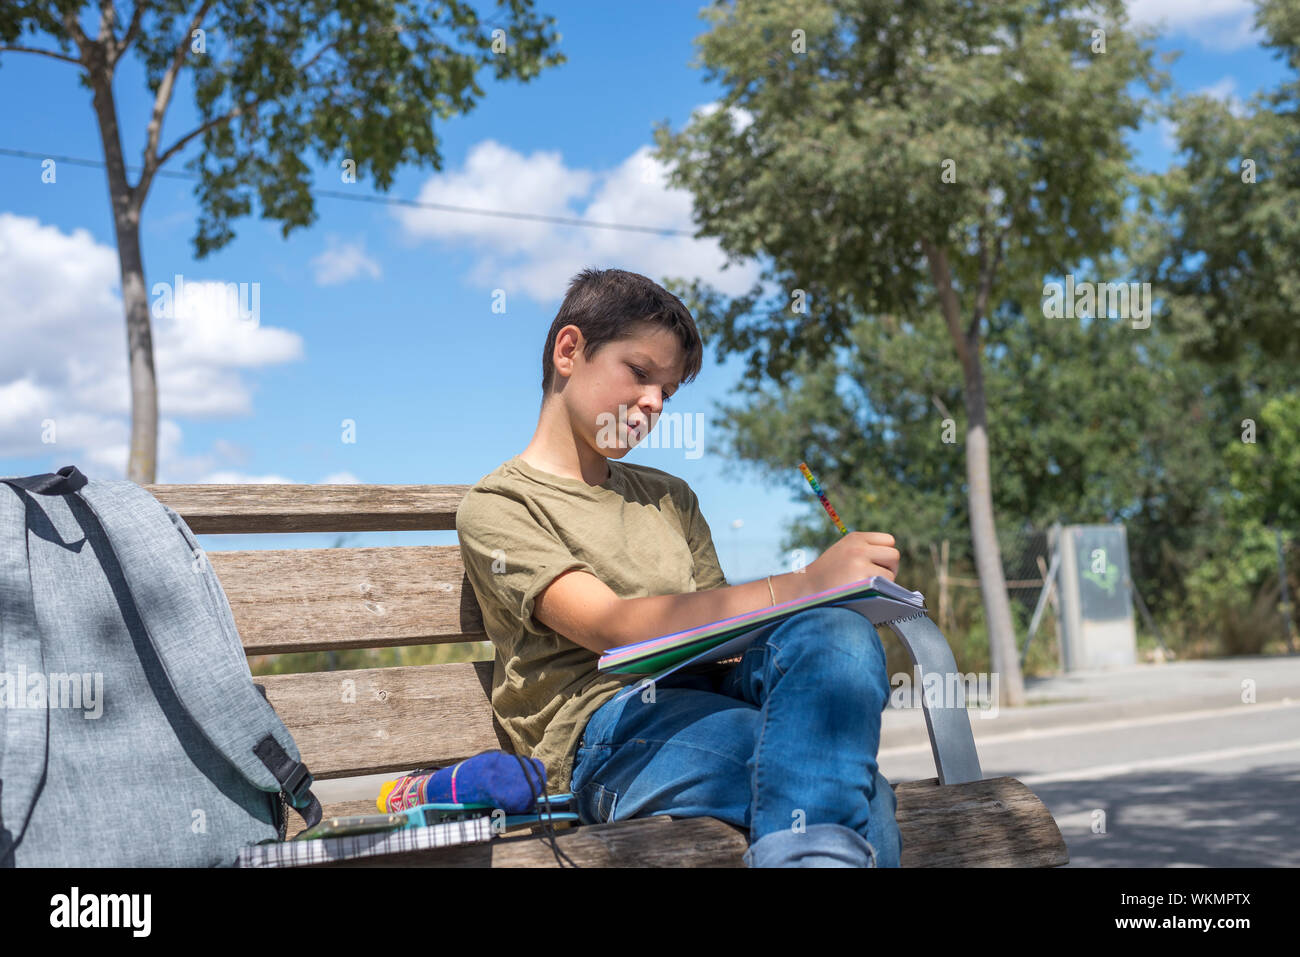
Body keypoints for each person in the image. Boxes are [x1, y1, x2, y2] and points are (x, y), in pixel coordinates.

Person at [455, 266, 903, 867]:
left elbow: (726, 639)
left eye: (666, 392)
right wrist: (804, 582)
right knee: (849, 783)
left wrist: (826, 606)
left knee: (838, 637)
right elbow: (609, 625)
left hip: (709, 696)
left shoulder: (671, 496)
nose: (652, 403)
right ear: (570, 350)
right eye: (640, 374)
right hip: (608, 735)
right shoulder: (502, 506)